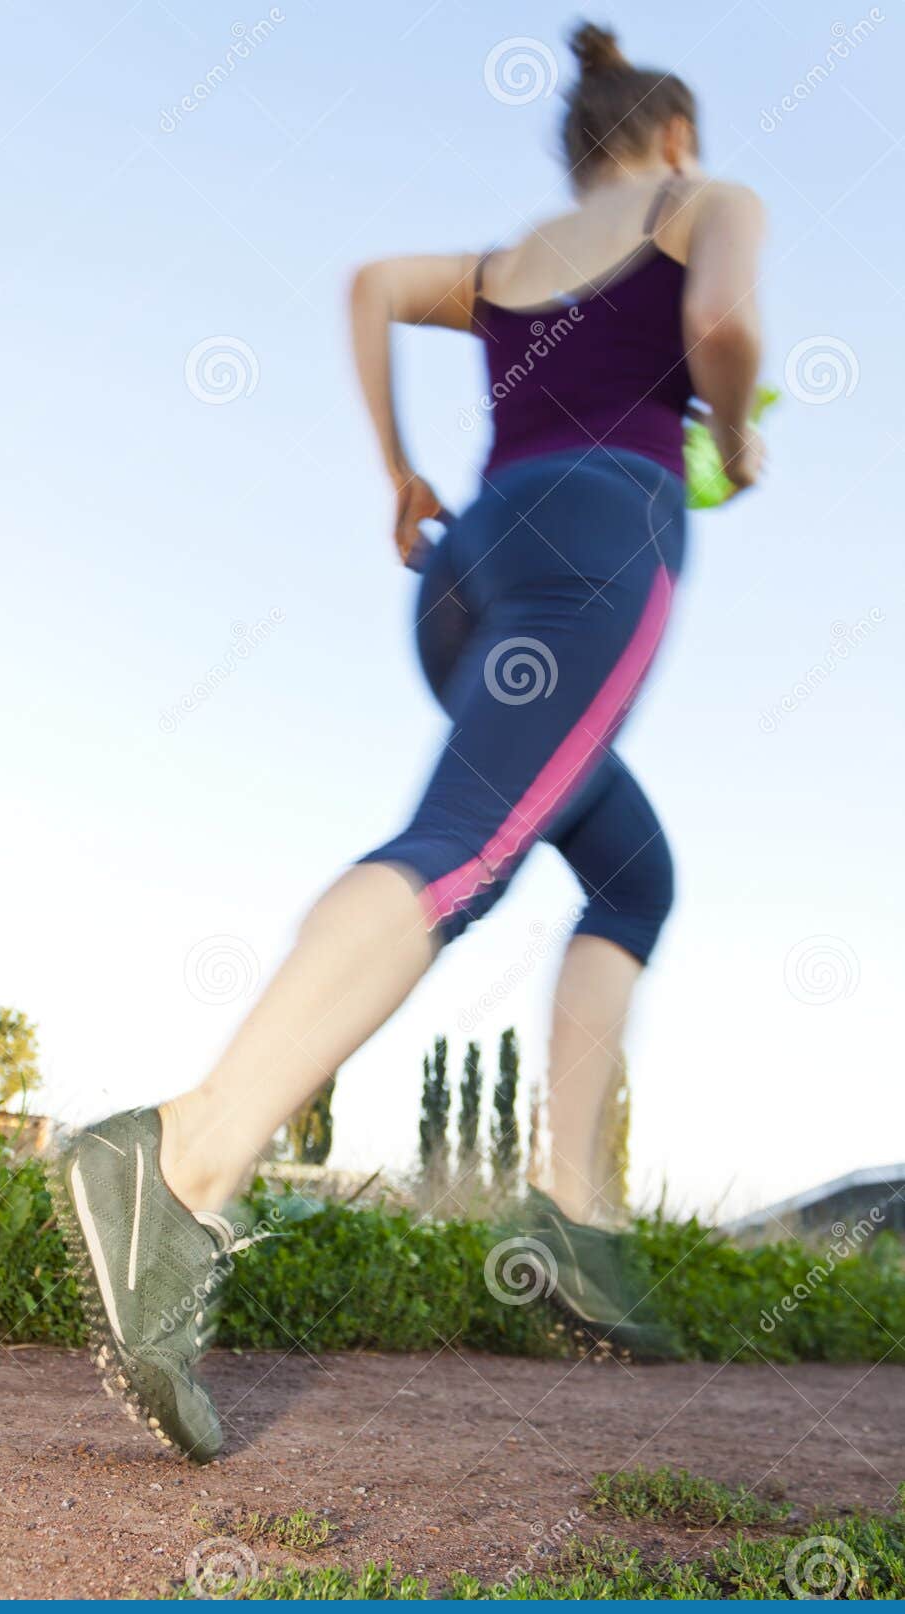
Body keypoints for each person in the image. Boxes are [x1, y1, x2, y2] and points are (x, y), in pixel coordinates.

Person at [55, 22, 766, 1459]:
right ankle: (185, 1159)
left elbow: (371, 285)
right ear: (674, 133)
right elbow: (727, 335)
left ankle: (572, 1209)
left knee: (628, 869)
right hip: (597, 539)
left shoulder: (508, 262)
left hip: (469, 571)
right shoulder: (707, 205)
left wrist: (398, 473)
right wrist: (737, 440)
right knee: (466, 849)